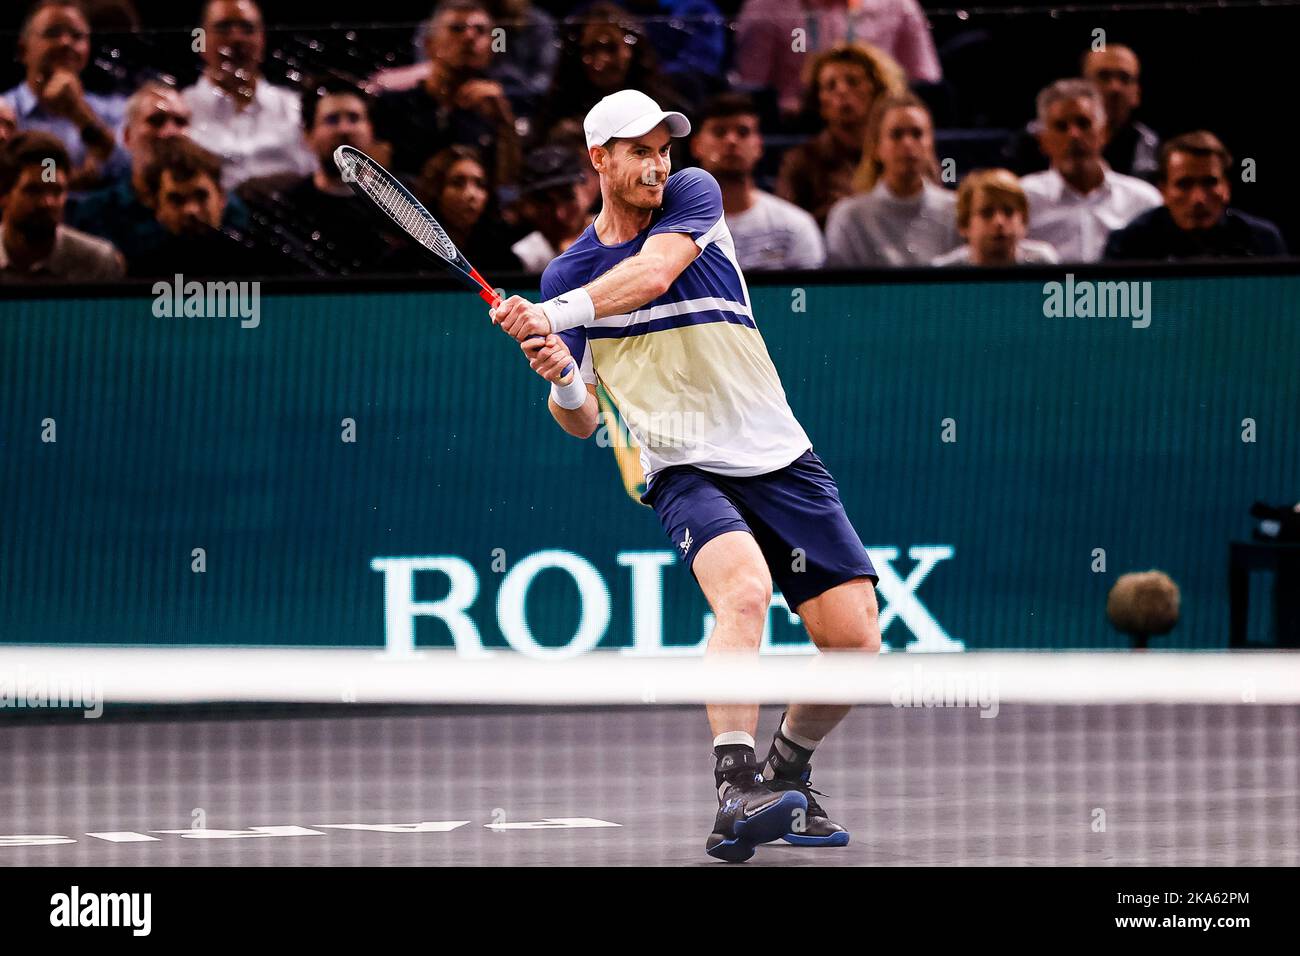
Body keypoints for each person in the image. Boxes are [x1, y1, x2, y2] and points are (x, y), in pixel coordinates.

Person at [489, 89, 880, 862]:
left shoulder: (693, 197)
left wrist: (552, 315)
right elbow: (583, 420)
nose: (658, 163)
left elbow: (656, 274)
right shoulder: (572, 267)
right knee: (743, 593)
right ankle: (736, 787)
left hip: (780, 456)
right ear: (599, 159)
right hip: (684, 468)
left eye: (663, 148)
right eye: (639, 150)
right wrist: (563, 376)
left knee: (855, 644)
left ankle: (785, 773)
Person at [240, 82, 420, 275]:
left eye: (354, 118)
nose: (345, 129)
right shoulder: (287, 210)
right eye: (332, 120)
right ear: (308, 136)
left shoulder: (404, 201)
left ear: (371, 131)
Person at [371, 0, 521, 189]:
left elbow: (508, 184)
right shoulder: (393, 105)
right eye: (457, 29)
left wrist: (504, 123)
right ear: (429, 44)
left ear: (492, 47)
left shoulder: (494, 109)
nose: (469, 36)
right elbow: (374, 181)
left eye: (480, 30)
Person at [1019, 79, 1161, 263]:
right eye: (1061, 127)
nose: (1074, 135)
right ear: (1043, 140)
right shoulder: (1022, 200)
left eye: (1084, 123)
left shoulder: (1144, 200)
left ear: (1104, 132)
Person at [181, 0, 315, 190]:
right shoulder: (180, 111)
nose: (236, 38)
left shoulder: (295, 109)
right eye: (223, 28)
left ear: (262, 40)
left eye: (247, 28)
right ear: (200, 40)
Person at [733, 0, 941, 118]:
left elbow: (925, 86)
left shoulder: (899, 5)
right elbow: (750, 94)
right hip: (799, 126)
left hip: (880, 123)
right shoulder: (764, 7)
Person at [65, 81, 198, 264]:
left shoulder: (219, 208)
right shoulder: (93, 213)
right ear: (127, 137)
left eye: (180, 122)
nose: (170, 132)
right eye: (156, 121)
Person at [689, 92, 824, 271]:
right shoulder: (678, 229)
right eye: (719, 132)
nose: (731, 141)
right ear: (696, 146)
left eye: (743, 132)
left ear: (759, 145)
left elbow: (809, 298)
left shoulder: (795, 226)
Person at [775, 42, 905, 228]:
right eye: (830, 86)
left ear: (876, 90)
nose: (842, 91)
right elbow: (789, 229)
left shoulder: (901, 152)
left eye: (853, 81)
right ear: (820, 101)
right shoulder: (801, 162)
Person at [2, 0, 128, 189]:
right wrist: (66, 181)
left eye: (77, 36)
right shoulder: (5, 110)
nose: (66, 42)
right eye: (53, 33)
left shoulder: (114, 110)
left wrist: (79, 113)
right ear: (23, 50)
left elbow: (131, 173)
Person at [1104, 131, 1287, 260]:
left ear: (1226, 188)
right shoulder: (1130, 244)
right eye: (1184, 184)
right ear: (1163, 191)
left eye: (1210, 183)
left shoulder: (1261, 240)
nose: (1198, 198)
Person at [824, 92, 958, 267]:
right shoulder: (849, 217)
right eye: (896, 135)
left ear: (930, 143)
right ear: (877, 147)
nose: (908, 144)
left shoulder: (956, 211)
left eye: (917, 134)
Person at [127, 136, 259, 277]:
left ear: (222, 198)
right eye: (177, 200)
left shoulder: (257, 263)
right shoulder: (142, 270)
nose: (191, 210)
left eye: (201, 197)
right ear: (157, 207)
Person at [0, 130, 124, 281]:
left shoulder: (96, 261)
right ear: (3, 195)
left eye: (57, 191)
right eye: (33, 190)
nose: (48, 202)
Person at [417, 145, 522, 272]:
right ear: (436, 191)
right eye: (457, 183)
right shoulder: (409, 256)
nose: (471, 194)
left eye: (480, 184)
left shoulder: (503, 256)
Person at [932, 169, 1059, 266]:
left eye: (1008, 212)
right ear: (964, 224)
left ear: (1024, 221)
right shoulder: (943, 273)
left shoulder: (1043, 262)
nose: (999, 222)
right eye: (987, 213)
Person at [510, 145, 591, 273]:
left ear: (586, 189)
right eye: (545, 203)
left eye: (568, 196)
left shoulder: (620, 235)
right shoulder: (524, 255)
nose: (559, 215)